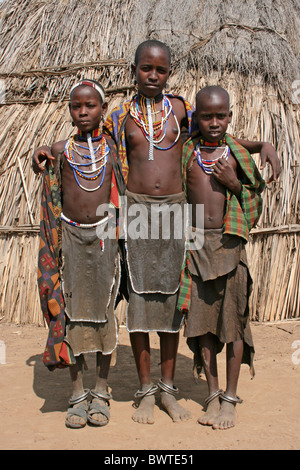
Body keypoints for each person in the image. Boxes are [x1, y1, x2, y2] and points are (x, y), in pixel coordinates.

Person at [32, 40, 280, 426]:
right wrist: (48, 147)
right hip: (136, 212)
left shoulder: (182, 110)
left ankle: (167, 391)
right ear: (134, 70)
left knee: (170, 303)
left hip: (178, 212)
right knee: (140, 303)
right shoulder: (119, 117)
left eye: (160, 70)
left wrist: (261, 143)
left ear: (169, 73)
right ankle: (145, 392)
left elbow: (216, 133)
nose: (153, 75)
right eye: (145, 68)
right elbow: (86, 136)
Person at [37, 79, 125, 429]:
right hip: (69, 239)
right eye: (77, 106)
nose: (84, 111)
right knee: (70, 313)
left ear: (102, 110)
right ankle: (76, 392)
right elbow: (46, 158)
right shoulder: (61, 151)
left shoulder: (114, 149)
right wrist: (41, 150)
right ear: (70, 109)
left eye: (91, 105)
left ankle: (101, 390)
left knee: (104, 312)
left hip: (105, 239)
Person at [178, 85, 265, 430]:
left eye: (220, 115)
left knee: (233, 325)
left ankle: (230, 398)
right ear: (196, 118)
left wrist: (234, 184)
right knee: (202, 328)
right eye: (206, 116)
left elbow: (256, 202)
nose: (214, 122)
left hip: (230, 248)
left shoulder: (237, 156)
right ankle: (212, 393)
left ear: (229, 116)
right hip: (196, 248)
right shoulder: (188, 153)